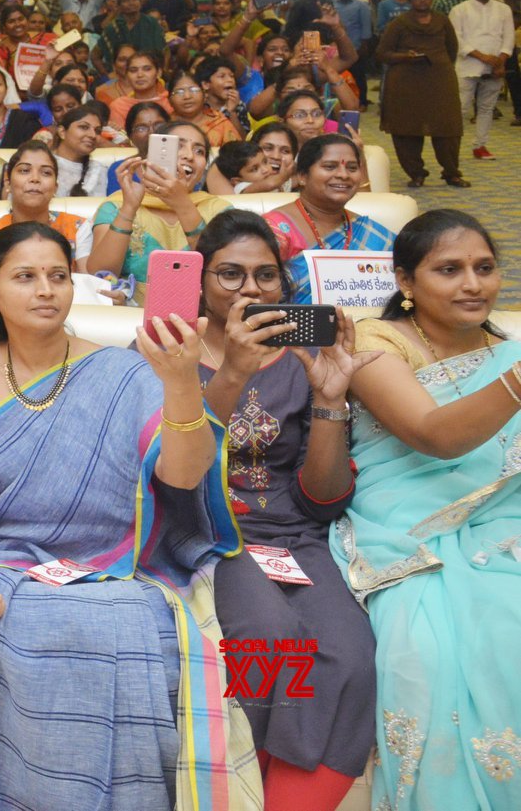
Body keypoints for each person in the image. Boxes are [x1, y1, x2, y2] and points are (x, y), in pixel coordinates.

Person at [0, 222, 246, 809]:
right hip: (2, 556)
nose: (46, 290)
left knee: (131, 625)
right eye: (25, 277)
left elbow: (184, 475)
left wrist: (180, 384)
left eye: (58, 276)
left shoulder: (123, 371)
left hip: (114, 563)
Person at [192, 211, 378, 811]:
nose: (250, 289)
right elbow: (177, 476)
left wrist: (329, 400)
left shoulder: (305, 356)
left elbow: (324, 498)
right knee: (269, 641)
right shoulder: (166, 349)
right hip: (209, 532)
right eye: (230, 274)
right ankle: (245, 787)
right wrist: (232, 371)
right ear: (199, 279)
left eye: (266, 275)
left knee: (351, 657)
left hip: (293, 535)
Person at [340, 209, 521, 811]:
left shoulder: (506, 351)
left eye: (485, 268)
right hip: (407, 526)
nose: (473, 284)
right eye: (449, 270)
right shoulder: (375, 341)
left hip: (505, 515)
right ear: (405, 281)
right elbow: (434, 435)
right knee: (452, 637)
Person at [90, 122, 229, 292]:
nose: (189, 156)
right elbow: (100, 276)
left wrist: (182, 204)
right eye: (179, 146)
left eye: (199, 151)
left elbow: (223, 272)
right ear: (148, 160)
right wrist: (129, 208)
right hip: (130, 308)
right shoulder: (117, 205)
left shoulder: (219, 210)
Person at [261, 134, 393, 303]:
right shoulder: (275, 229)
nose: (343, 175)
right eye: (330, 167)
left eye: (352, 168)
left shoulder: (370, 232)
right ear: (302, 176)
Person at [375, 0, 466, 187]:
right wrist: (404, 56)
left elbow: (452, 50)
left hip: (440, 80)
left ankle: (452, 173)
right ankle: (416, 173)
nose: (422, 0)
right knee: (407, 129)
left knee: (447, 127)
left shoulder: (442, 21)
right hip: (405, 83)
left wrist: (440, 65)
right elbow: (382, 53)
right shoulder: (399, 23)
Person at [0, 141, 87, 269]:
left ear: (55, 187)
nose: (35, 178)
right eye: (25, 170)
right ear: (8, 183)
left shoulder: (78, 229)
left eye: (46, 172)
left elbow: (88, 279)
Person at [450, 0, 513, 160]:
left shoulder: (504, 9)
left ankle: (480, 145)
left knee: (486, 108)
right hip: (467, 64)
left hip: (496, 65)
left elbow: (508, 38)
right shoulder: (459, 10)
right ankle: (452, 146)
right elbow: (457, 40)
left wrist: (501, 60)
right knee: (461, 108)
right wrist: (482, 57)